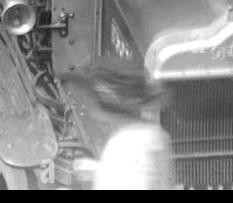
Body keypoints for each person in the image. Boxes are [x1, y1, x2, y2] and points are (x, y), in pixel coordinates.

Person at [63, 62, 172, 191]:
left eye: (90, 98)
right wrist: (98, 171)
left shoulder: (129, 141)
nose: (87, 105)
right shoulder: (145, 135)